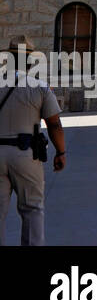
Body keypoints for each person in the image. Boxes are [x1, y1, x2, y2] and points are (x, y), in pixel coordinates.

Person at [0, 35, 67, 245]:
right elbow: (54, 124)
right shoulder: (40, 86)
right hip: (26, 155)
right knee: (32, 211)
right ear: (30, 61)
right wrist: (61, 152)